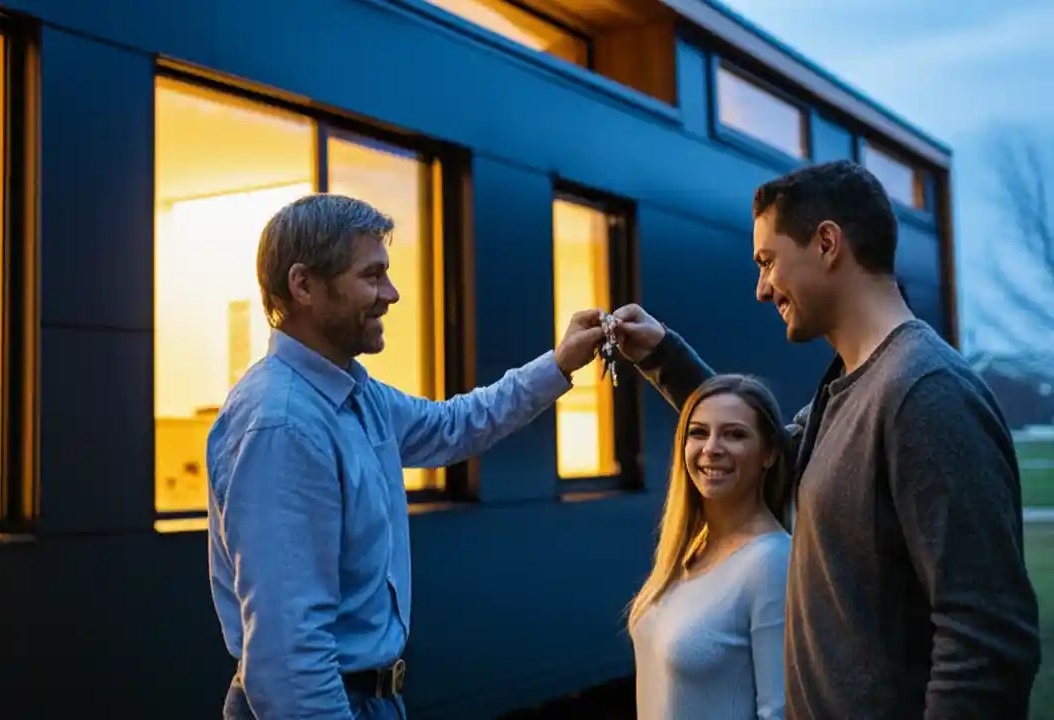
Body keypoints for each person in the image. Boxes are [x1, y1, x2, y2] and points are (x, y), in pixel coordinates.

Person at [612, 159, 1041, 718]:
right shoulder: (846, 390)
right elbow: (763, 450)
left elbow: (986, 639)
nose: (762, 289)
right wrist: (663, 356)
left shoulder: (925, 393)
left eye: (767, 262)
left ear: (827, 244)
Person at [207, 193, 611, 719]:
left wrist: (559, 363)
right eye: (372, 276)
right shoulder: (282, 425)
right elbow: (287, 658)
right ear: (303, 285)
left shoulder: (355, 394)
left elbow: (454, 425)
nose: (391, 294)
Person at [628, 374, 793, 720]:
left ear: (769, 453)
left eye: (734, 434)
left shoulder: (772, 561)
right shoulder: (690, 550)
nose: (711, 448)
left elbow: (778, 711)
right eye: (699, 432)